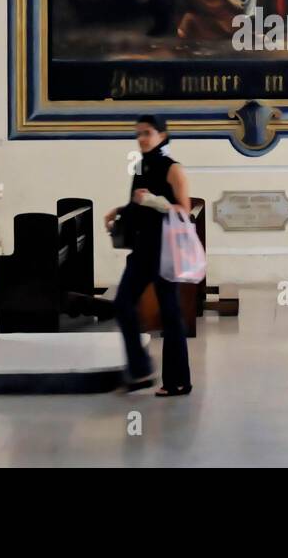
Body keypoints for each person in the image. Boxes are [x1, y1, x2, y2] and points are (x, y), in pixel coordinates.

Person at [104, 116, 193, 396]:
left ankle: (178, 381)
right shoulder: (141, 166)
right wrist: (119, 211)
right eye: (138, 134)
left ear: (162, 136)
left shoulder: (173, 169)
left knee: (170, 313)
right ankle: (141, 369)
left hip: (166, 249)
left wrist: (152, 200)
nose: (142, 139)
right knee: (122, 304)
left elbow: (184, 210)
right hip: (143, 250)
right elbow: (137, 203)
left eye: (148, 133)